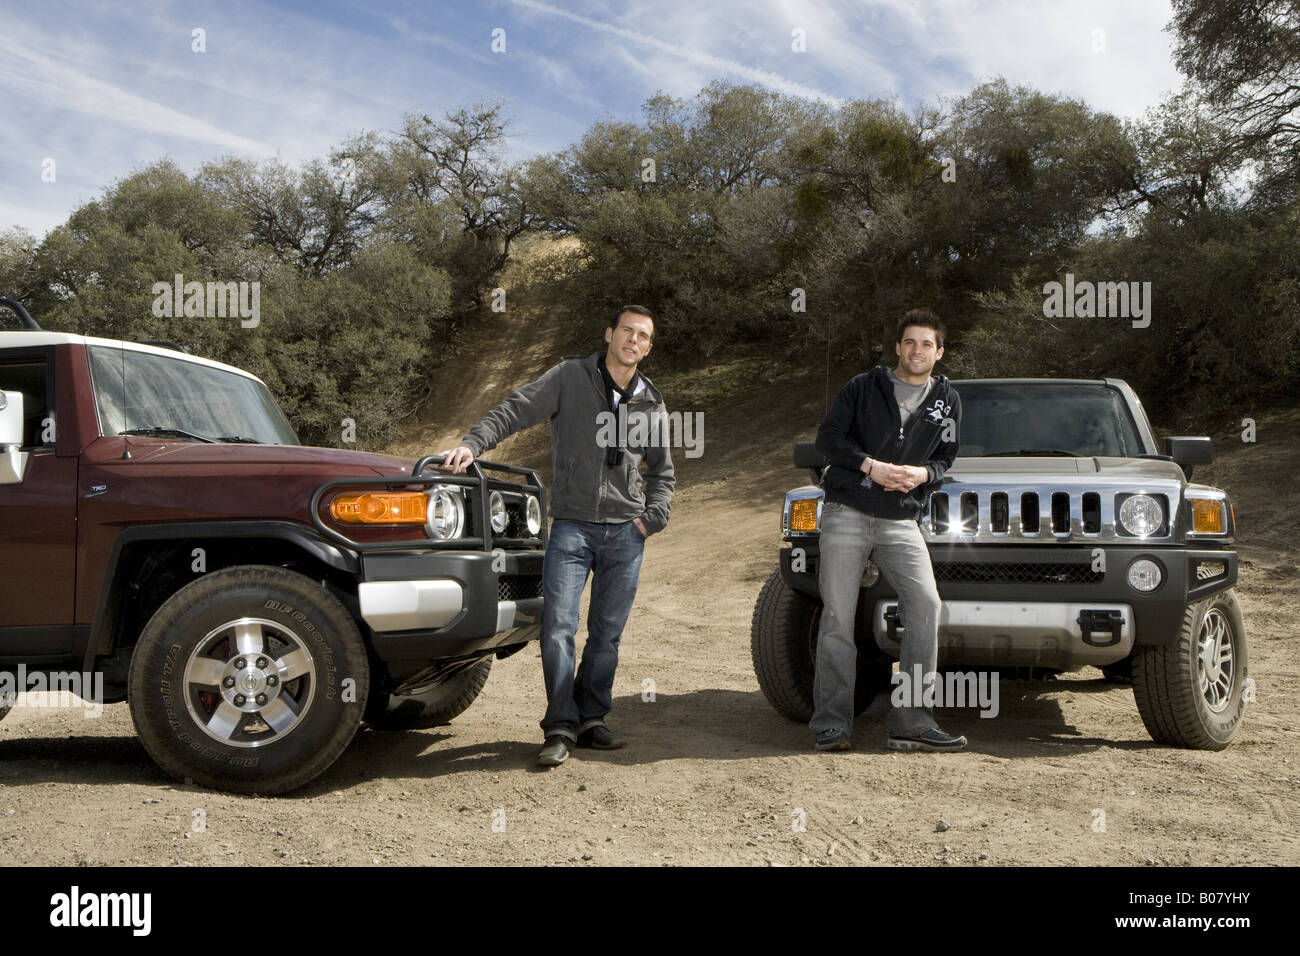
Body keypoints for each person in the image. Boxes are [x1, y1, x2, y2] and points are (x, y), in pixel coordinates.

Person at [438, 306, 675, 767]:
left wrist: (652, 518)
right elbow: (516, 408)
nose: (632, 340)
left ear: (648, 347)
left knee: (607, 635)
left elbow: (662, 472)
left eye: (642, 336)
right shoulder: (570, 376)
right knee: (558, 628)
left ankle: (592, 719)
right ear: (609, 334)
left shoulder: (651, 403)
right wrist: (473, 443)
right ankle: (560, 726)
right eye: (626, 330)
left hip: (626, 533)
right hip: (570, 526)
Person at [810, 309, 964, 752]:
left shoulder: (946, 401)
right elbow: (829, 439)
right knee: (837, 616)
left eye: (927, 344)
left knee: (925, 605)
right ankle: (832, 723)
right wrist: (870, 466)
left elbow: (945, 459)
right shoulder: (862, 387)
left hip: (901, 518)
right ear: (898, 347)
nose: (918, 351)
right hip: (848, 510)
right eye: (910, 342)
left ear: (939, 351)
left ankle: (913, 721)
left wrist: (921, 476)